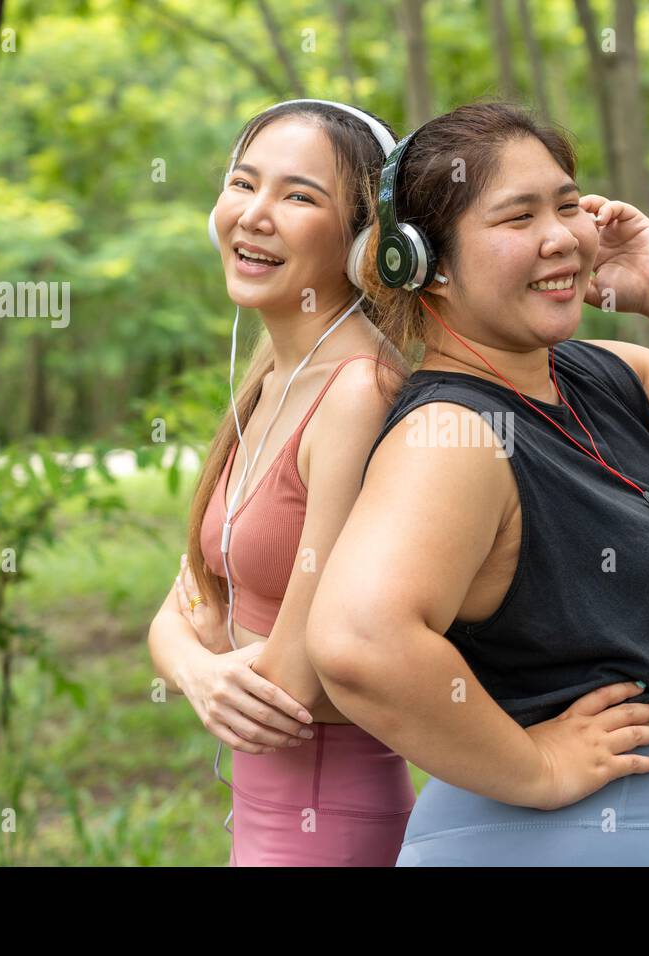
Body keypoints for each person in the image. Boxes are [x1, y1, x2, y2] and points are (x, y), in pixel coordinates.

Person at [306, 101, 649, 866]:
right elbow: (359, 642)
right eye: (517, 217)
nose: (560, 235)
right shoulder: (453, 432)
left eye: (568, 203)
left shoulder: (608, 377)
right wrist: (539, 767)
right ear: (426, 261)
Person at [146, 99, 414, 866]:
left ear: (365, 240)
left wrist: (206, 648)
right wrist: (200, 668)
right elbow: (176, 612)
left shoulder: (359, 391)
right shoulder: (268, 376)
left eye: (299, 196)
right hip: (259, 820)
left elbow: (298, 676)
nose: (254, 215)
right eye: (242, 184)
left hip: (331, 821)